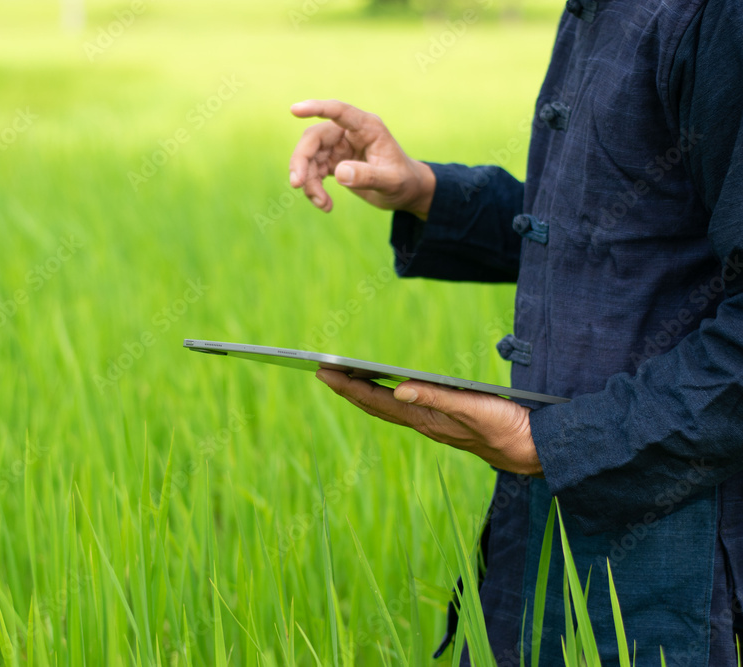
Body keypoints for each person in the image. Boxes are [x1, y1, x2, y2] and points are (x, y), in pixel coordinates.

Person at [287, 0, 743, 663]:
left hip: (671, 573)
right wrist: (426, 191)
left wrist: (547, 442)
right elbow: (611, 235)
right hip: (537, 535)